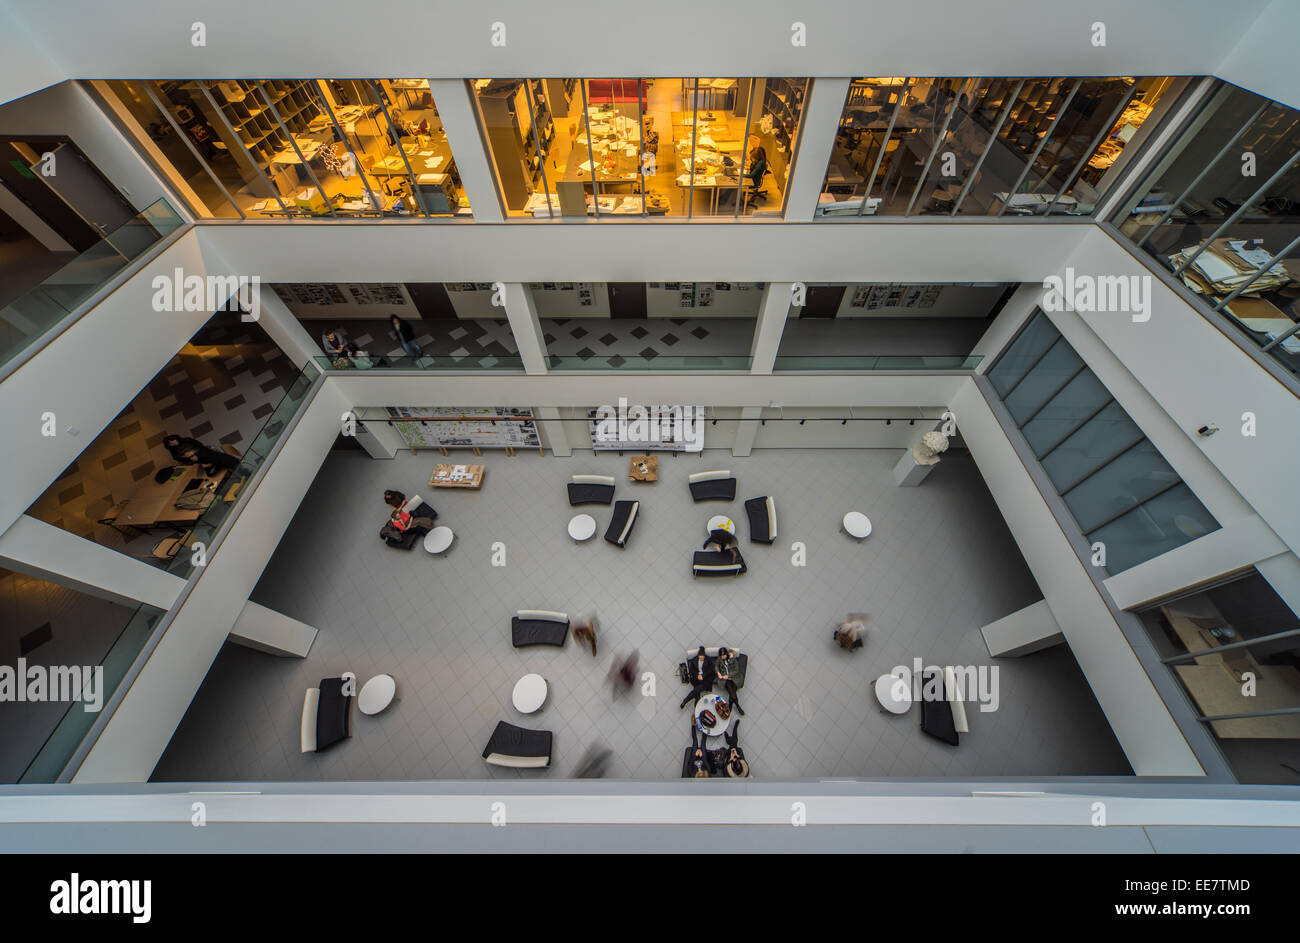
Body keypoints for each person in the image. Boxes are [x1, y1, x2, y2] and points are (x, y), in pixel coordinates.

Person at [162, 433, 238, 474]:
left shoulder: (203, 455)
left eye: (186, 456)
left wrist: (207, 465)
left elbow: (215, 467)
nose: (185, 458)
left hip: (233, 465)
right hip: (227, 463)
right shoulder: (198, 456)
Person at [678, 645, 715, 709]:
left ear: (704, 656)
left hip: (705, 679)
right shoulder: (694, 660)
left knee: (696, 690)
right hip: (696, 678)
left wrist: (703, 675)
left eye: (702, 657)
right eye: (700, 657)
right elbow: (691, 670)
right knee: (697, 691)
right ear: (698, 656)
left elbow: (711, 670)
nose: (701, 658)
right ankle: (696, 703)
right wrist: (697, 675)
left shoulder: (708, 660)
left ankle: (685, 701)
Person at [714, 646, 745, 717]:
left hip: (734, 678)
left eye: (724, 655)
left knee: (732, 693)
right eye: (721, 656)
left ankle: (731, 705)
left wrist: (728, 675)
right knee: (732, 692)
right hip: (725, 679)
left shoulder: (733, 659)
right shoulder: (719, 659)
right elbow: (716, 666)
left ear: (727, 654)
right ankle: (737, 706)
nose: (723, 657)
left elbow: (736, 670)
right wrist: (718, 672)